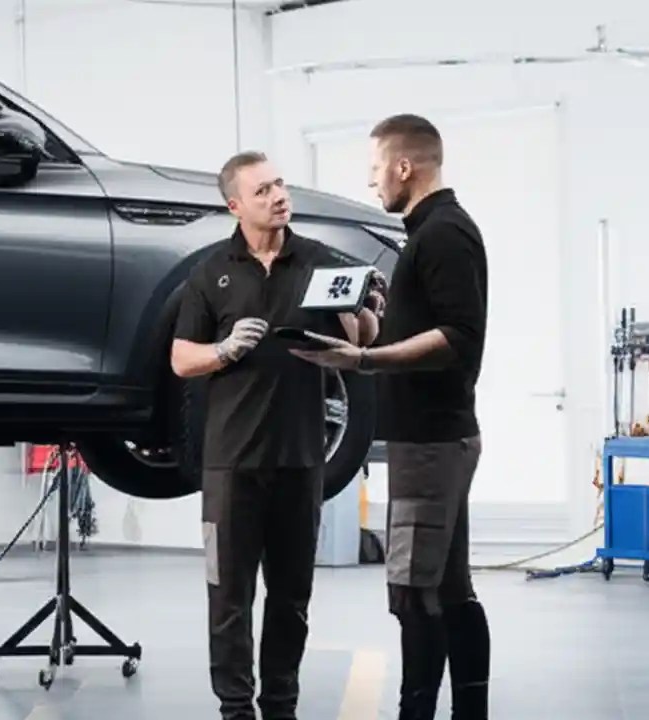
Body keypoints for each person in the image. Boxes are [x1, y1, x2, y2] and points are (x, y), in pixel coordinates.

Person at [288, 114, 491, 720]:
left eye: (377, 167)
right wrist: (378, 315)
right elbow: (427, 327)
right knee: (450, 591)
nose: (372, 180)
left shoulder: (446, 234)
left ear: (405, 167)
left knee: (412, 592)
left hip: (432, 441)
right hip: (432, 438)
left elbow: (458, 336)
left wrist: (365, 358)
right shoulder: (424, 236)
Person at [171, 150, 381, 720]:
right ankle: (236, 710)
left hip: (299, 460)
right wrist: (224, 349)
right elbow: (180, 358)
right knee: (228, 600)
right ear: (235, 204)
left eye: (281, 184)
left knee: (291, 601)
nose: (278, 196)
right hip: (229, 466)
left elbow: (362, 334)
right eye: (262, 190)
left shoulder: (318, 261)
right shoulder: (210, 270)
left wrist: (362, 311)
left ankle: (281, 707)